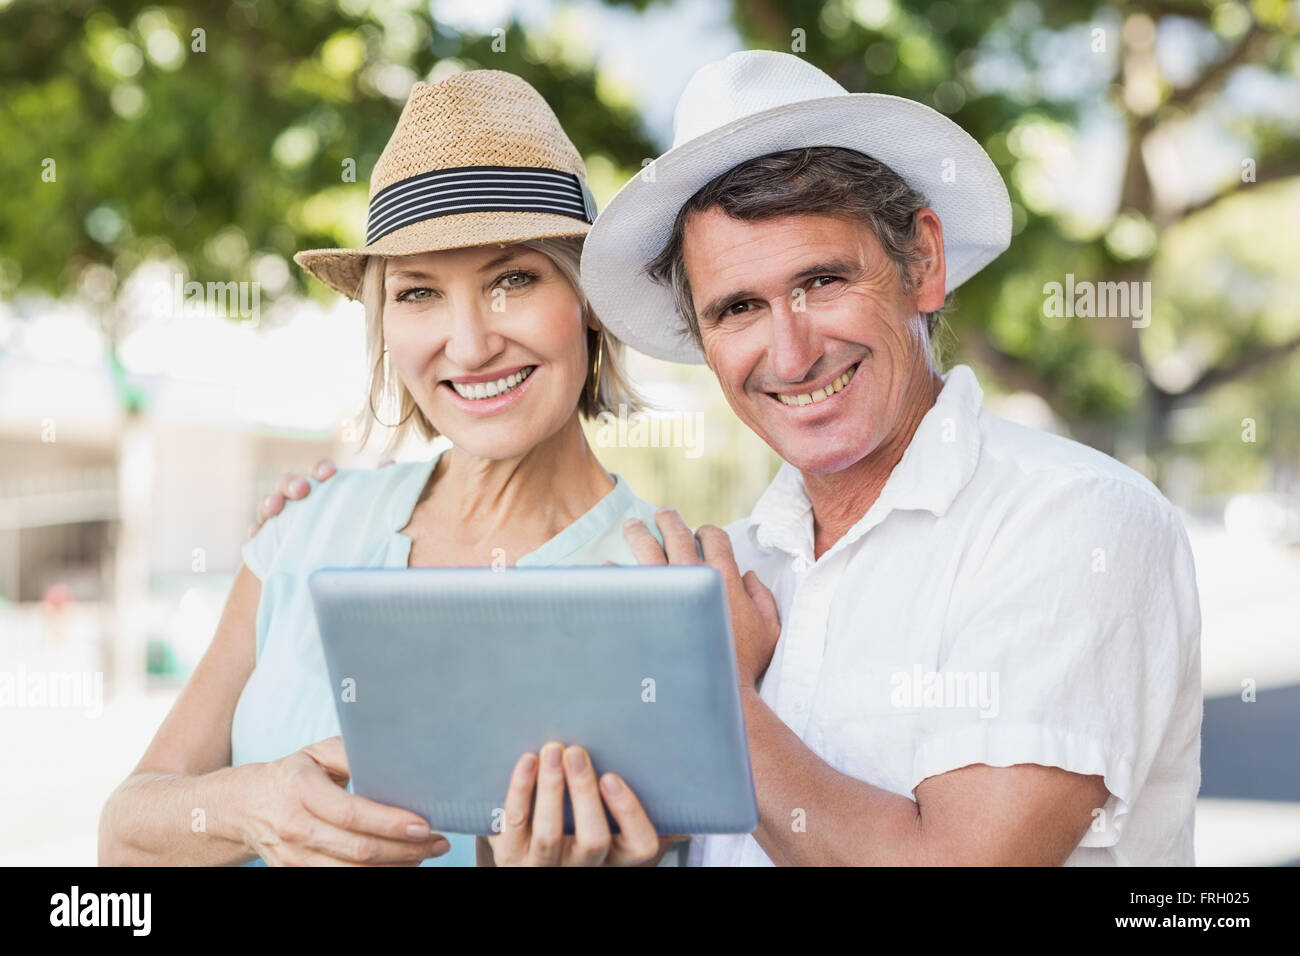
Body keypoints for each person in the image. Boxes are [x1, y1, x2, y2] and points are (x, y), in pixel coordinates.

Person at [267, 51, 1202, 866]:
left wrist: (708, 693)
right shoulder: (734, 567)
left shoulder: (1071, 524)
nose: (790, 355)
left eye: (822, 282)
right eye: (737, 309)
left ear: (922, 262)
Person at [99, 70, 686, 868]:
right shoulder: (305, 526)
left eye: (513, 279)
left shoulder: (660, 580)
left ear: (585, 297)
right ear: (384, 323)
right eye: (419, 294)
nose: (471, 343)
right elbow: (124, 839)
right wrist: (253, 806)